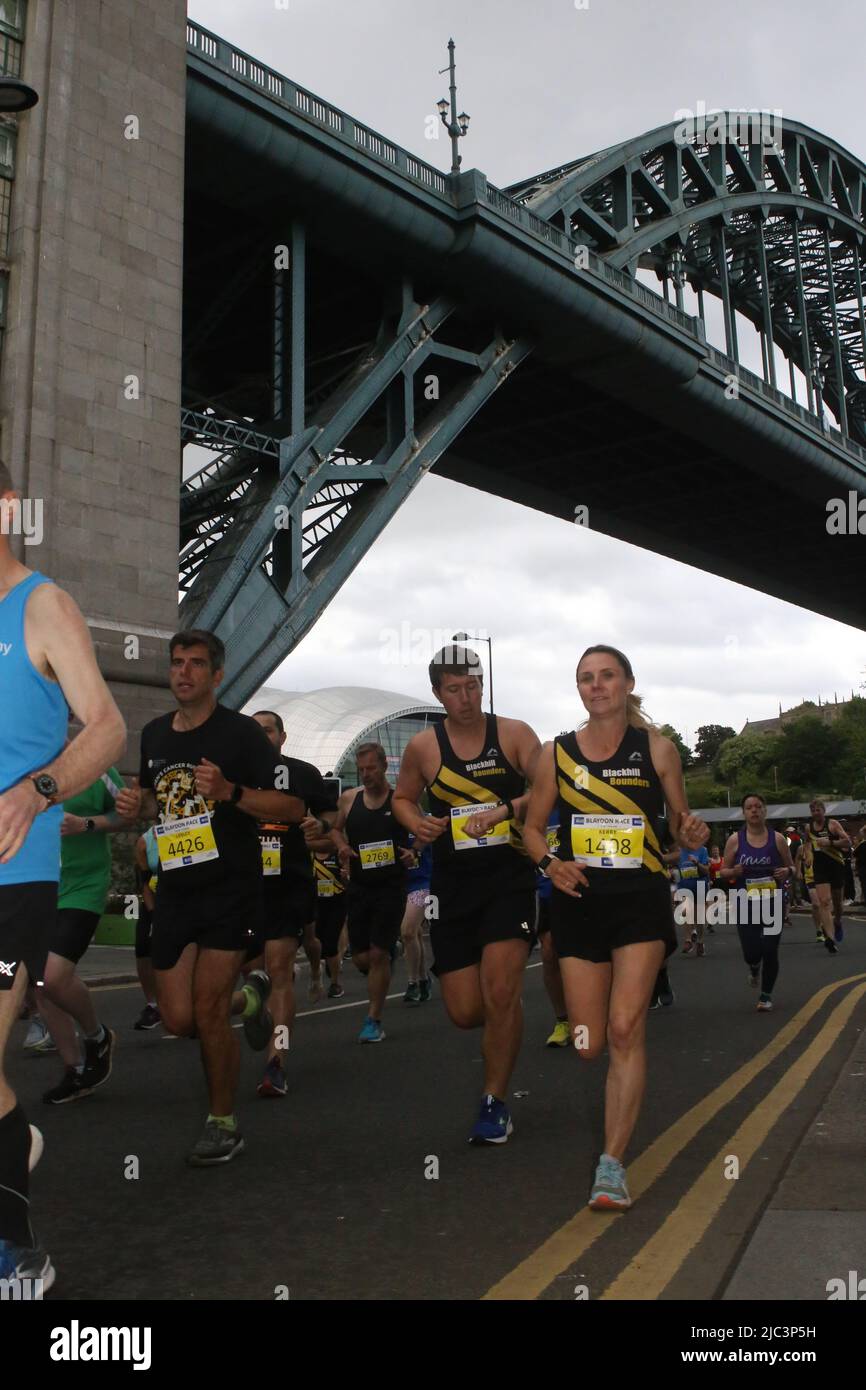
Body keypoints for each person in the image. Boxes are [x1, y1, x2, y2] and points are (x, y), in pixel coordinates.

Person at [0, 457, 126, 1294]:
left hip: (14, 876)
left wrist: (39, 788)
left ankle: (18, 1254)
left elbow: (109, 726)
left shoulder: (42, 606)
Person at [523, 644, 708, 1210]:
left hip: (639, 902)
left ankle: (612, 1165)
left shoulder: (657, 749)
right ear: (578, 689)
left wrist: (692, 833)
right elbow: (531, 829)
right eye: (586, 678)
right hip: (578, 900)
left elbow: (681, 826)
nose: (597, 686)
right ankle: (599, 1064)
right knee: (589, 1044)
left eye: (607, 676)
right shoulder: (555, 753)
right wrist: (550, 864)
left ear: (627, 683)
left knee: (626, 1029)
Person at [116, 629, 306, 1164]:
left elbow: (290, 808)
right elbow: (160, 801)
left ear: (216, 675)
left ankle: (222, 1122)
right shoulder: (154, 734)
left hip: (230, 891)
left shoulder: (241, 735)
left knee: (205, 1010)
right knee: (179, 1020)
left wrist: (231, 792)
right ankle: (251, 1000)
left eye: (196, 664)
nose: (183, 672)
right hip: (175, 889)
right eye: (177, 663)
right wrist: (138, 804)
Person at [393, 646, 541, 1143]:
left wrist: (504, 811)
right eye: (454, 689)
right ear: (437, 693)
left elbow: (549, 788)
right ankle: (507, 1016)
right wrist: (418, 823)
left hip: (509, 880)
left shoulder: (515, 734)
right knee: (465, 1012)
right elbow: (402, 798)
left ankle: (494, 1101)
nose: (466, 697)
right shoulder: (423, 748)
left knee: (499, 992)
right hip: (452, 888)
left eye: (472, 686)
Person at [249, 709, 337, 1097]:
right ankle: (253, 1008)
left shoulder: (303, 774)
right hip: (242, 887)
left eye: (267, 730)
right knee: (253, 976)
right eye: (254, 731)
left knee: (280, 969)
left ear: (282, 737)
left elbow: (331, 814)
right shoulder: (230, 774)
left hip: (289, 884)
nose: (260, 736)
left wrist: (323, 825)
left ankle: (276, 1062)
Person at [37, 769, 134, 1103]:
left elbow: (128, 813)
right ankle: (75, 1071)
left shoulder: (95, 765)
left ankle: (97, 1036)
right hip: (33, 888)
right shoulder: (14, 763)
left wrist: (86, 824)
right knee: (40, 984)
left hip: (82, 886)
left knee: (53, 975)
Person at [331, 744, 413, 1042]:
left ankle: (373, 1019)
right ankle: (386, 955)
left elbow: (423, 832)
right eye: (361, 769)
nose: (366, 775)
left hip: (391, 887)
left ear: (384, 768)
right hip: (360, 887)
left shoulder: (401, 802)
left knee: (378, 955)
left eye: (371, 769)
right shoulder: (350, 799)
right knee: (362, 959)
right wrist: (341, 845)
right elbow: (335, 829)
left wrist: (413, 851)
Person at [722, 794, 793, 1011]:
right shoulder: (735, 840)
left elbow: (793, 868)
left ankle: (765, 995)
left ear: (765, 811)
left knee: (771, 949)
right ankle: (754, 967)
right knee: (751, 952)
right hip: (745, 903)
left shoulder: (778, 839)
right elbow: (723, 872)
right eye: (749, 807)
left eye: (758, 807)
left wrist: (787, 871)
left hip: (773, 902)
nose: (754, 810)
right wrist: (733, 871)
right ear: (743, 813)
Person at [536, 811, 570, 1046]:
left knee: (587, 955)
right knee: (549, 954)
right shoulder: (532, 805)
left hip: (580, 887)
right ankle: (563, 1021)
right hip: (544, 891)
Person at [805, 799, 850, 945]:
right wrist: (808, 856)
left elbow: (847, 842)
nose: (816, 813)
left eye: (818, 810)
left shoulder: (832, 824)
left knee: (837, 904)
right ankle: (830, 938)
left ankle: (837, 921)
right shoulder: (808, 827)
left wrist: (830, 842)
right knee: (824, 902)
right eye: (813, 811)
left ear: (824, 811)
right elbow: (807, 844)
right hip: (820, 868)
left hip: (836, 865)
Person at [132, 827, 161, 1029]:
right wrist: (152, 914)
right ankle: (153, 1005)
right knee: (143, 947)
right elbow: (144, 880)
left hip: (187, 899)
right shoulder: (145, 841)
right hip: (156, 899)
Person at [402, 829, 433, 1006]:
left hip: (422, 884)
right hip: (397, 885)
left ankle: (412, 982)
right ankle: (423, 979)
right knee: (414, 934)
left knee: (407, 932)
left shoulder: (425, 823)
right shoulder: (388, 826)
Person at [312, 842, 348, 998]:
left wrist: (346, 876)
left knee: (331, 943)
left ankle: (335, 983)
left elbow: (348, 880)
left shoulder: (338, 854)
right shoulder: (309, 856)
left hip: (337, 903)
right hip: (315, 905)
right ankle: (316, 977)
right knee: (317, 944)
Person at [674, 843, 710, 956]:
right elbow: (675, 868)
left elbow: (706, 871)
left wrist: (697, 863)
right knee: (685, 912)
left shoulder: (702, 850)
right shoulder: (679, 851)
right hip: (684, 886)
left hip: (699, 885)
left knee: (699, 917)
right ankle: (688, 940)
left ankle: (700, 942)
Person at [854, 825, 866, 905]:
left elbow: (854, 853)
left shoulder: (862, 844)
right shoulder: (862, 844)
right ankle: (863, 901)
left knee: (864, 885)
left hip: (863, 868)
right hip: (862, 868)